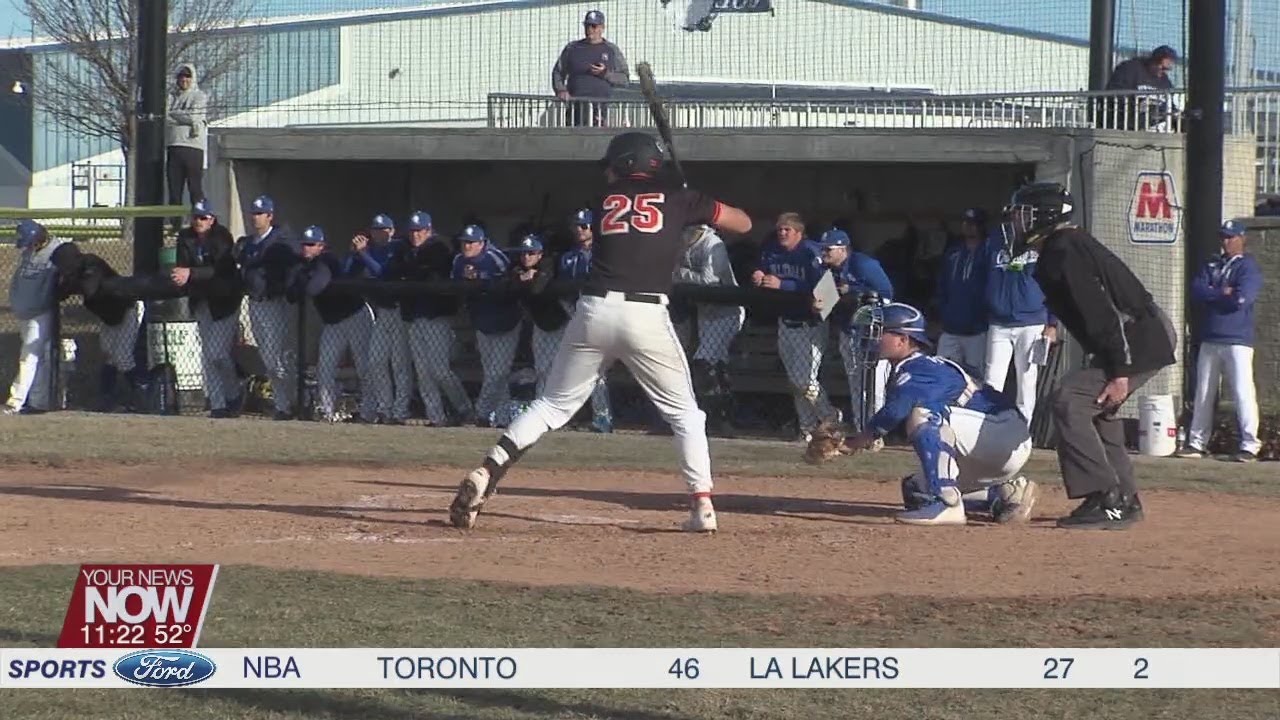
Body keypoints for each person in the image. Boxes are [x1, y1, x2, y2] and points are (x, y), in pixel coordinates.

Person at [449, 131, 752, 532]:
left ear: (629, 164)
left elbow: (643, 213)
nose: (608, 172)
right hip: (646, 314)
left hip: (594, 309)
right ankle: (702, 506)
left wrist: (683, 201)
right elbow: (743, 224)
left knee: (552, 405)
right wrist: (695, 201)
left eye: (613, 165)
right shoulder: (680, 198)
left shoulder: (603, 201)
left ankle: (489, 469)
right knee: (686, 415)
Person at [1011, 181, 1176, 529]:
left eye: (1023, 214)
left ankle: (1104, 496)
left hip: (1138, 336)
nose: (1017, 221)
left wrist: (1119, 370)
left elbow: (1104, 313)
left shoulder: (1063, 250)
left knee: (1069, 400)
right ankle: (1124, 501)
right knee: (1099, 412)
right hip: (1139, 333)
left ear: (1045, 216)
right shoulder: (1063, 246)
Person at [832, 303, 1037, 526]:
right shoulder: (911, 367)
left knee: (922, 414)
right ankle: (1003, 494)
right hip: (986, 440)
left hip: (1002, 433)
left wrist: (855, 442)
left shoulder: (921, 368)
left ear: (903, 340)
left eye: (880, 332)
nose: (870, 339)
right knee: (915, 491)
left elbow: (894, 411)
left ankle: (947, 504)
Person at [1177, 220, 1264, 462]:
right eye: (1223, 237)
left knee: (1242, 391)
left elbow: (1240, 299)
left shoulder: (1247, 267)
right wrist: (1221, 292)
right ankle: (1196, 442)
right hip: (1210, 336)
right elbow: (1196, 291)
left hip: (1237, 339)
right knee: (1203, 391)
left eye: (1230, 237)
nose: (1225, 242)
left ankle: (1250, 444)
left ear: (1241, 239)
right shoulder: (1213, 263)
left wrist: (1215, 294)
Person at [385, 211, 473, 426]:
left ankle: (465, 409)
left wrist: (412, 272)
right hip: (414, 317)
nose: (415, 235)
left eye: (420, 231)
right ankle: (436, 417)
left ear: (428, 230)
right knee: (423, 371)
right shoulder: (406, 250)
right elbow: (395, 272)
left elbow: (426, 273)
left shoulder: (439, 248)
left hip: (436, 318)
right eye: (413, 231)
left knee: (440, 369)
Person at [754, 212, 834, 439]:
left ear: (799, 232)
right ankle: (806, 429)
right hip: (785, 322)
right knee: (795, 382)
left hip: (809, 325)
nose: (782, 233)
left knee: (804, 380)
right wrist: (759, 273)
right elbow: (761, 266)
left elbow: (823, 288)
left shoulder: (811, 251)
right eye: (780, 229)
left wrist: (784, 285)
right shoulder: (772, 250)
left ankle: (830, 417)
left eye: (787, 230)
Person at [289, 226, 376, 423]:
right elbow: (291, 294)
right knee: (325, 368)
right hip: (333, 322)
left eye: (311, 245)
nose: (306, 249)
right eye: (304, 245)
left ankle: (369, 412)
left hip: (356, 316)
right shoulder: (303, 265)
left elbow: (314, 286)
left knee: (364, 367)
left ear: (321, 246)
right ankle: (327, 411)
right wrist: (299, 279)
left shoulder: (327, 259)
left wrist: (302, 281)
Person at [813, 227, 893, 433]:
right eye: (822, 249)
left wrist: (854, 291)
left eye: (828, 249)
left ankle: (875, 433)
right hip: (848, 332)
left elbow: (887, 294)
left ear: (842, 249)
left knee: (873, 388)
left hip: (873, 334)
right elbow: (821, 304)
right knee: (856, 386)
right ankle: (862, 430)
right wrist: (821, 301)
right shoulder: (828, 270)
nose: (824, 254)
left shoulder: (863, 264)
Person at [172, 200, 242, 418]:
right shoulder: (186, 237)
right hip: (202, 301)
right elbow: (182, 266)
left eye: (203, 218)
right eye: (196, 217)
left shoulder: (222, 237)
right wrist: (186, 274)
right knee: (208, 355)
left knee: (217, 353)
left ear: (212, 219)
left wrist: (192, 274)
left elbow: (220, 269)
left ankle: (234, 392)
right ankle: (218, 404)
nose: (198, 222)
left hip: (224, 302)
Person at [984, 222, 1058, 427]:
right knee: (992, 379)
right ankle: (988, 427)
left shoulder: (1041, 243)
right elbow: (984, 278)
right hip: (999, 322)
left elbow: (1055, 285)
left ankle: (1022, 429)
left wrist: (1052, 323)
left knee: (1026, 378)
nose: (1018, 219)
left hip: (1032, 322)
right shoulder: (996, 239)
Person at [233, 195, 300, 420]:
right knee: (269, 361)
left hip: (274, 304)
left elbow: (293, 261)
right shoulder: (250, 242)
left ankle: (291, 402)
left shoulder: (280, 240)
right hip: (254, 303)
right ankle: (283, 406)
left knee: (278, 360)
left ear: (270, 216)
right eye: (254, 213)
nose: (256, 218)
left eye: (260, 214)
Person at [674, 223, 744, 435]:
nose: (685, 234)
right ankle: (721, 420)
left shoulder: (714, 244)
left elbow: (709, 280)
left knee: (703, 362)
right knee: (716, 365)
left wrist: (681, 273)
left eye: (689, 230)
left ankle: (717, 417)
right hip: (704, 313)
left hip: (727, 312)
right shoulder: (685, 245)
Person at [452, 224, 522, 426]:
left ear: (482, 243)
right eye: (465, 242)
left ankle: (481, 413)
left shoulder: (495, 258)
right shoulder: (458, 261)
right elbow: (454, 285)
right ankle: (502, 419)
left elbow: (507, 285)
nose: (467, 246)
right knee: (493, 373)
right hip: (483, 323)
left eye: (472, 242)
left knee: (498, 373)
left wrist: (481, 278)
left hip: (506, 322)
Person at [347, 214, 411, 425]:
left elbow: (384, 272)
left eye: (383, 229)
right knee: (376, 361)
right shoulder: (369, 249)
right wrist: (355, 253)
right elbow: (347, 272)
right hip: (382, 312)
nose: (378, 233)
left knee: (400, 363)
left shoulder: (399, 247)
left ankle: (399, 412)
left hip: (400, 311)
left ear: (392, 230)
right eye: (375, 229)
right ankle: (385, 409)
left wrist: (364, 253)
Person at [4, 220, 68, 415]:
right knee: (35, 358)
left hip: (40, 313)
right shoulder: (29, 252)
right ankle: (38, 401)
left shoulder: (57, 251)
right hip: (24, 311)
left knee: (29, 356)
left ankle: (15, 401)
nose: (27, 246)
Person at [558, 209, 613, 433]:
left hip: (604, 314)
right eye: (577, 226)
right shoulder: (568, 257)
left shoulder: (606, 253)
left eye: (585, 226)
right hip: (576, 313)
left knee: (598, 371)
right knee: (576, 370)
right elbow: (561, 291)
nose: (580, 230)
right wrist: (572, 312)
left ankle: (603, 418)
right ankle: (577, 416)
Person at [505, 233, 570, 396]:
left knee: (561, 368)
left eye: (531, 253)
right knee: (541, 368)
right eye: (524, 253)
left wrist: (530, 278)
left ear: (540, 254)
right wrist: (522, 278)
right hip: (540, 323)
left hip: (562, 322)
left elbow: (536, 288)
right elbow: (510, 284)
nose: (526, 257)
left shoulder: (548, 264)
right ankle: (543, 403)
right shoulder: (517, 268)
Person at [551, 9, 630, 127]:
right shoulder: (572, 48)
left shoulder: (611, 50)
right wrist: (561, 90)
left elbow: (624, 78)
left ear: (602, 28)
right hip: (576, 107)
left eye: (594, 26)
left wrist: (605, 73)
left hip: (601, 108)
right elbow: (558, 72)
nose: (589, 30)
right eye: (587, 26)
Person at [934, 208, 990, 372]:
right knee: (944, 372)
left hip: (978, 329)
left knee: (976, 375)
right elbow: (943, 285)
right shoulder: (954, 252)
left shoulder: (989, 252)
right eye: (966, 223)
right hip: (951, 327)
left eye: (974, 224)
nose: (969, 227)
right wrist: (942, 314)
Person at [165, 64, 208, 218]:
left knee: (195, 189)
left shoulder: (199, 96)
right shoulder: (171, 97)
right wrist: (184, 118)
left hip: (193, 148)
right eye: (181, 76)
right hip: (173, 146)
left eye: (187, 76)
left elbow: (194, 117)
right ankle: (175, 225)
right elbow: (165, 117)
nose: (184, 79)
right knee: (174, 191)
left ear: (193, 78)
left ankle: (200, 221)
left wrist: (174, 114)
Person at [1101, 46, 1178, 130]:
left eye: (1166, 69)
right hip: (1128, 122)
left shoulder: (1165, 81)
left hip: (1156, 125)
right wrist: (1137, 106)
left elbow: (1170, 104)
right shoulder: (1131, 69)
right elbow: (1115, 92)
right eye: (1162, 67)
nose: (1162, 71)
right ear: (1153, 61)